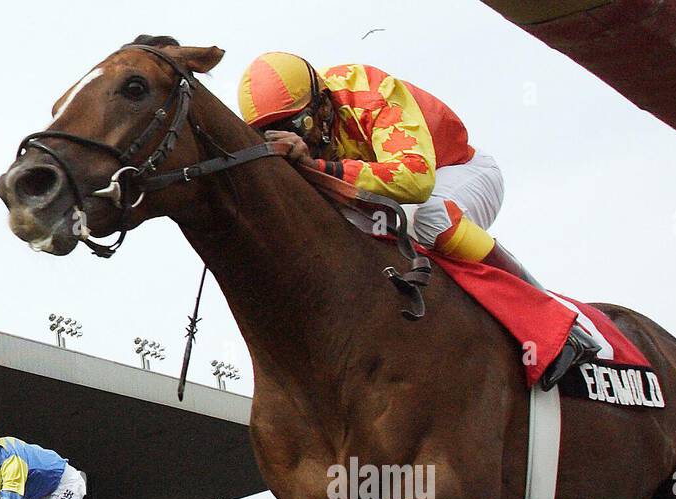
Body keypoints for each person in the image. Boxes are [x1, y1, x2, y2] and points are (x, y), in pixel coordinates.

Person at [237, 51, 601, 389]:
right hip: (382, 192)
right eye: (273, 131)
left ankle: (559, 324)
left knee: (431, 219)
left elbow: (414, 180)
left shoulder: (372, 92)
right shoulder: (314, 120)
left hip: (455, 171)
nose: (294, 136)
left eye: (298, 124)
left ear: (323, 101)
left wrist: (318, 167)